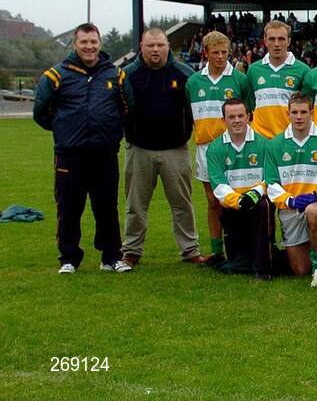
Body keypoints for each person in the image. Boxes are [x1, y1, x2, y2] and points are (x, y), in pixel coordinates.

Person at [34, 23, 134, 274]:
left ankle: (111, 257)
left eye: (93, 42)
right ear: (75, 44)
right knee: (68, 207)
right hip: (70, 155)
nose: (89, 47)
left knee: (107, 207)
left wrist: (109, 133)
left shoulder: (116, 75)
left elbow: (127, 110)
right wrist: (66, 130)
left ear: (100, 43)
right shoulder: (55, 76)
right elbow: (41, 112)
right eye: (84, 42)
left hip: (104, 153)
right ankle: (69, 258)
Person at [120, 28, 202, 267]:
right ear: (141, 47)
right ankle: (131, 250)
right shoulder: (127, 75)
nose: (155, 50)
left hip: (175, 149)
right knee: (135, 205)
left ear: (168, 47)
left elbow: (194, 110)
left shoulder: (185, 74)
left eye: (160, 45)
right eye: (150, 46)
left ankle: (190, 250)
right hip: (139, 149)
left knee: (182, 204)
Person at [186, 30, 250, 265]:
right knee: (213, 202)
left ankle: (240, 248)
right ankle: (216, 252)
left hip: (234, 147)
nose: (221, 57)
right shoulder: (194, 82)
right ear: (205, 53)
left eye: (224, 52)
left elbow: (248, 112)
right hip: (205, 148)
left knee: (236, 200)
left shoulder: (240, 80)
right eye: (215, 52)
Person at [263, 93, 317, 284]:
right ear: (288, 114)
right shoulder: (275, 144)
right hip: (290, 209)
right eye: (294, 112)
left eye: (303, 112)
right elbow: (271, 183)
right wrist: (290, 200)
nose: (299, 117)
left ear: (312, 113)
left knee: (314, 211)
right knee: (300, 270)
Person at [205, 99, 274, 279]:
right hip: (233, 207)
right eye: (231, 117)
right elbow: (218, 184)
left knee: (263, 206)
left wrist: (255, 194)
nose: (237, 121)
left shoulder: (264, 144)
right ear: (223, 120)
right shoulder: (215, 148)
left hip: (258, 205)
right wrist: (239, 201)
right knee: (237, 262)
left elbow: (270, 178)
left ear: (249, 117)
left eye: (240, 116)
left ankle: (263, 268)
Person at [247, 20, 311, 139]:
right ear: (265, 41)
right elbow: (251, 105)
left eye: (281, 39)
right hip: (260, 138)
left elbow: (306, 109)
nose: (276, 44)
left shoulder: (303, 70)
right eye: (272, 39)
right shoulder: (253, 70)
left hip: (289, 138)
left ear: (289, 41)